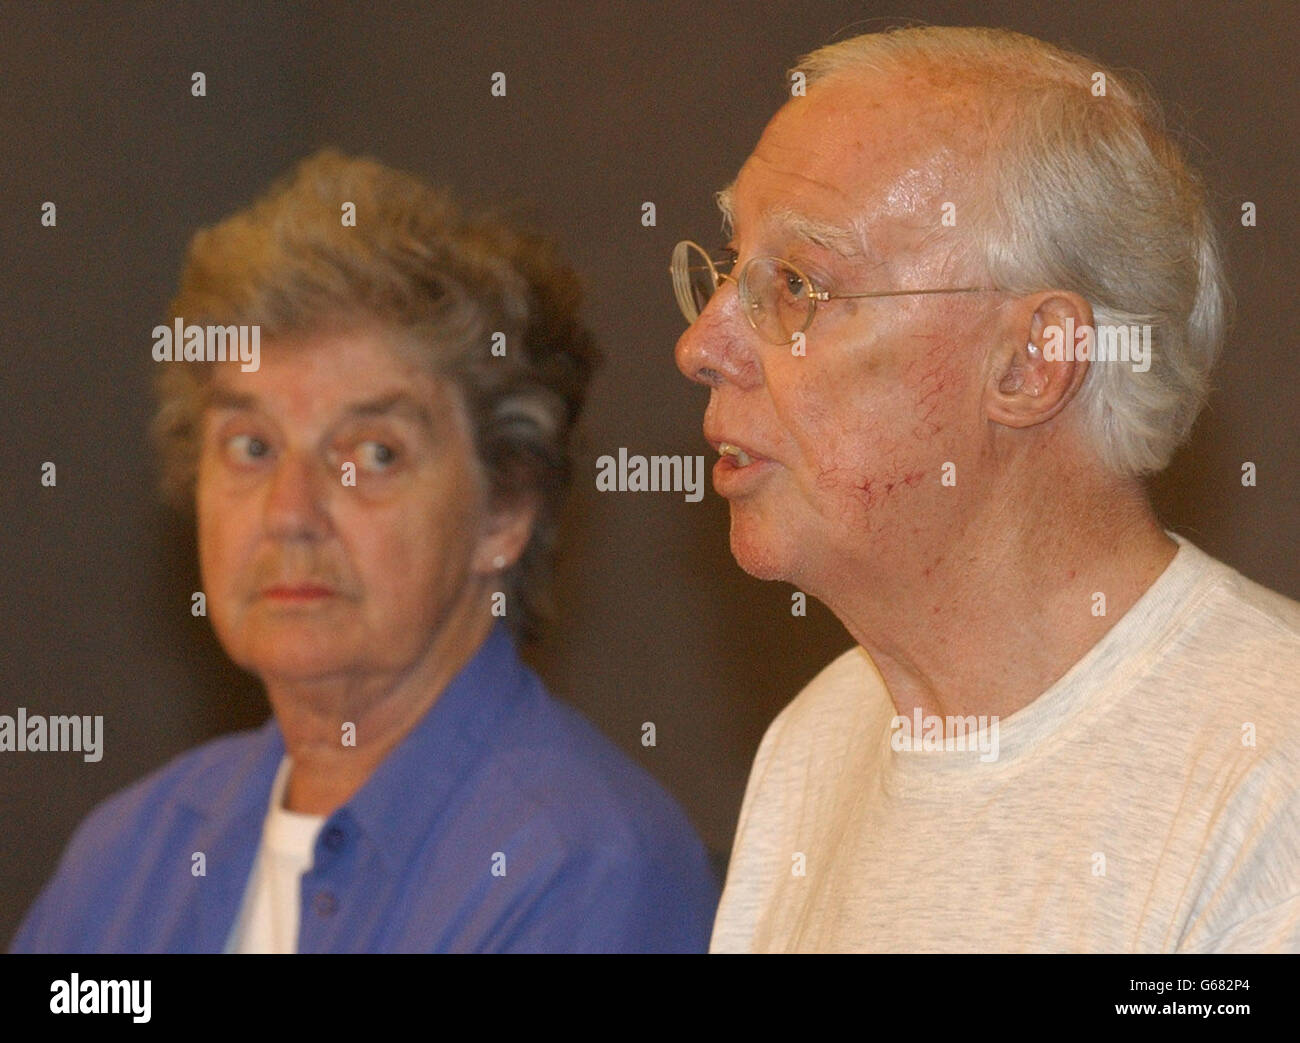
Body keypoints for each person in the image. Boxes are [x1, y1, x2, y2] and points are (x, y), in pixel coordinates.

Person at [672, 27, 1300, 953]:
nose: (700, 346)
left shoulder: (1268, 776)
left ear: (1032, 363)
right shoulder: (816, 741)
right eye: (729, 274)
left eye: (798, 285)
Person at [13, 149, 718, 953]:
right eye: (250, 445)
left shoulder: (582, 866)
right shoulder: (131, 853)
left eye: (373, 454)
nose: (290, 512)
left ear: (506, 509)